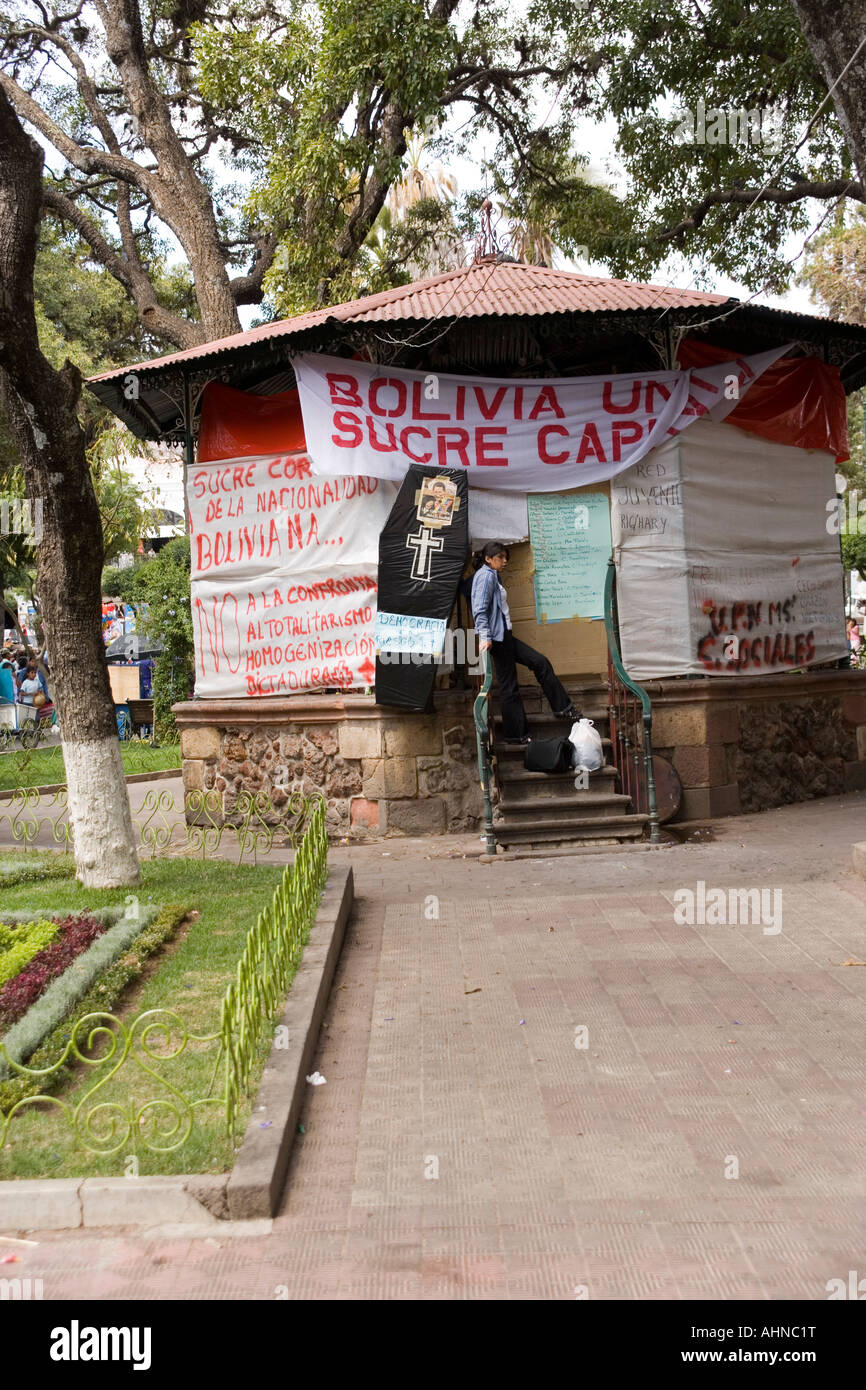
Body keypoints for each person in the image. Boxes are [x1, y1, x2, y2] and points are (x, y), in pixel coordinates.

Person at [471, 541, 577, 744]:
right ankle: (517, 734)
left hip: (505, 636)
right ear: (488, 559)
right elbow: (479, 609)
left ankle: (563, 708)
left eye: (505, 557)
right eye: (500, 557)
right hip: (498, 640)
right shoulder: (485, 576)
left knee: (539, 662)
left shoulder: (491, 575)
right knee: (509, 686)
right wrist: (484, 637)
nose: (504, 561)